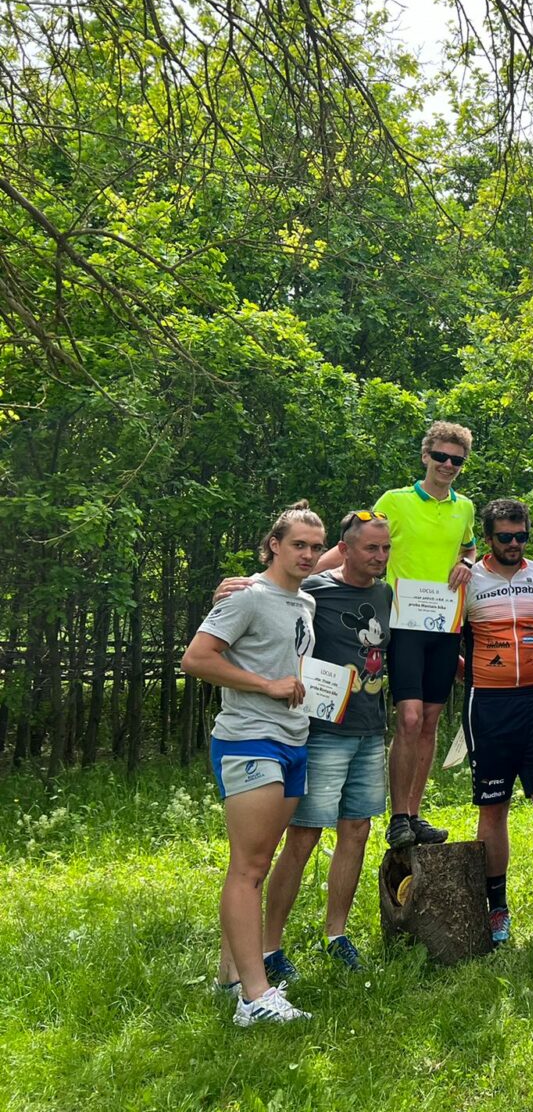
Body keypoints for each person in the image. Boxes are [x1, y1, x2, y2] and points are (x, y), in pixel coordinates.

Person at [181, 502, 322, 1026]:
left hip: (294, 740)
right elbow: (196, 658)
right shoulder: (248, 598)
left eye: (314, 546)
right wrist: (266, 686)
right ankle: (254, 999)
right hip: (249, 739)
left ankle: (229, 976)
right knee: (249, 868)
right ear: (274, 546)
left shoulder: (303, 600)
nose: (307, 554)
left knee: (255, 863)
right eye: (298, 545)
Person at [251, 510, 392, 982]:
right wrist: (236, 586)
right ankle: (270, 946)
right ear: (346, 550)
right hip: (324, 732)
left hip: (371, 730)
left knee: (357, 831)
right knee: (305, 835)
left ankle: (337, 934)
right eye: (370, 548)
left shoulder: (385, 594)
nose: (379, 557)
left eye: (385, 548)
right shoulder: (314, 590)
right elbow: (269, 591)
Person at [323, 420, 476, 850]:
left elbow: (468, 545)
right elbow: (355, 541)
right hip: (403, 622)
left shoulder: (464, 507)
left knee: (428, 721)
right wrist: (281, 576)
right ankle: (396, 818)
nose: (448, 465)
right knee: (407, 718)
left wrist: (468, 561)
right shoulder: (395, 500)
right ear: (426, 455)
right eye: (441, 456)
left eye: (457, 460)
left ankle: (413, 812)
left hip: (446, 627)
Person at [460, 498, 533, 946]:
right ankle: (497, 909)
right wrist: (474, 672)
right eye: (505, 537)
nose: (515, 544)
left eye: (521, 536)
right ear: (488, 538)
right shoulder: (468, 579)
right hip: (489, 703)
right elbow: (445, 640)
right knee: (494, 809)